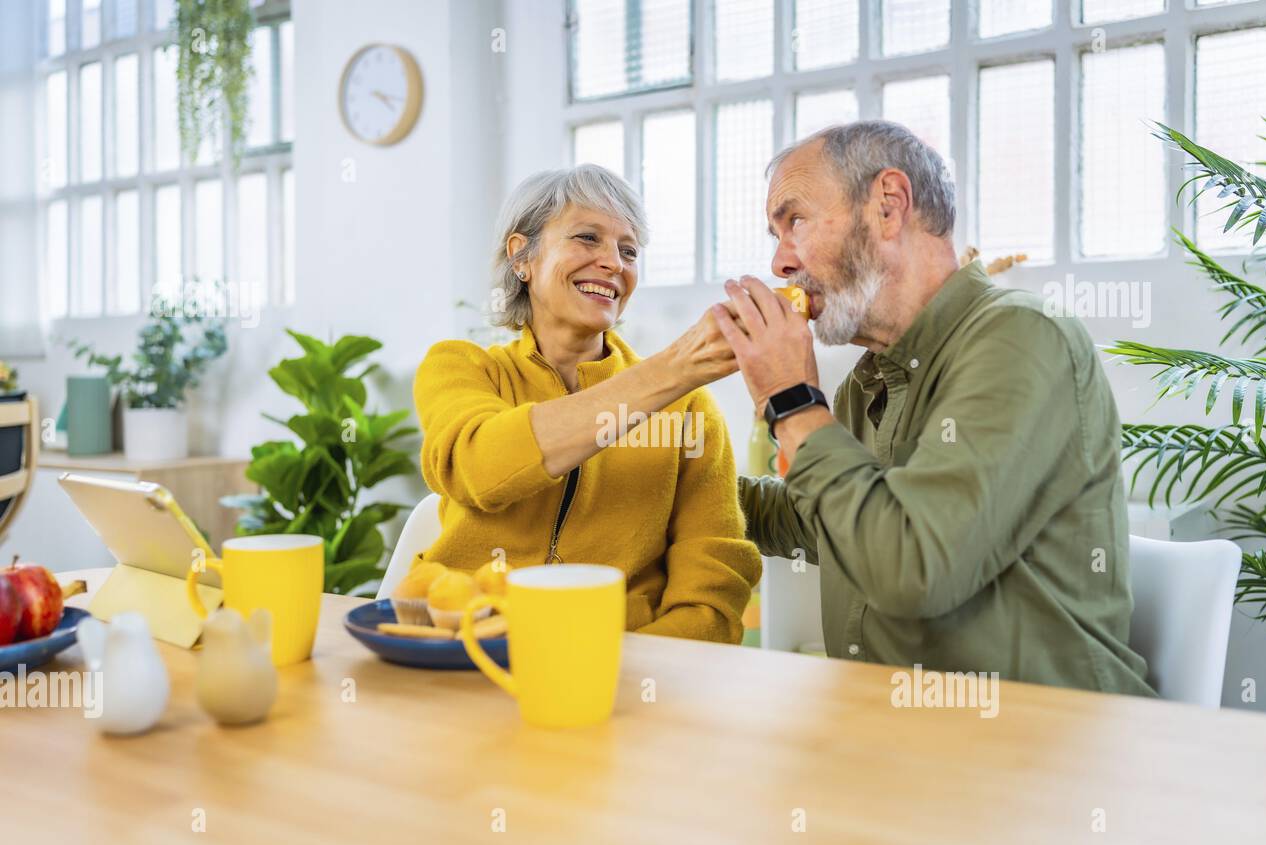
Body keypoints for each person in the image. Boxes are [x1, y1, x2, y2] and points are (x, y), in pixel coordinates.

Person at [710, 121, 1155, 695]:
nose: (778, 263)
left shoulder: (1021, 338)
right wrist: (679, 482)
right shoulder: (868, 381)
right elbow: (829, 521)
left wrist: (792, 401)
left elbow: (912, 568)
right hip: (899, 735)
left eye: (793, 221)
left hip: (1039, 747)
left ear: (888, 207)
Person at [413, 165, 760, 643]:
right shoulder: (462, 367)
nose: (614, 262)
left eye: (629, 250)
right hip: (462, 649)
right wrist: (671, 370)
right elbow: (480, 469)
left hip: (622, 664)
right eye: (587, 238)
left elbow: (711, 594)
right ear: (522, 257)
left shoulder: (689, 411)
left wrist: (629, 672)